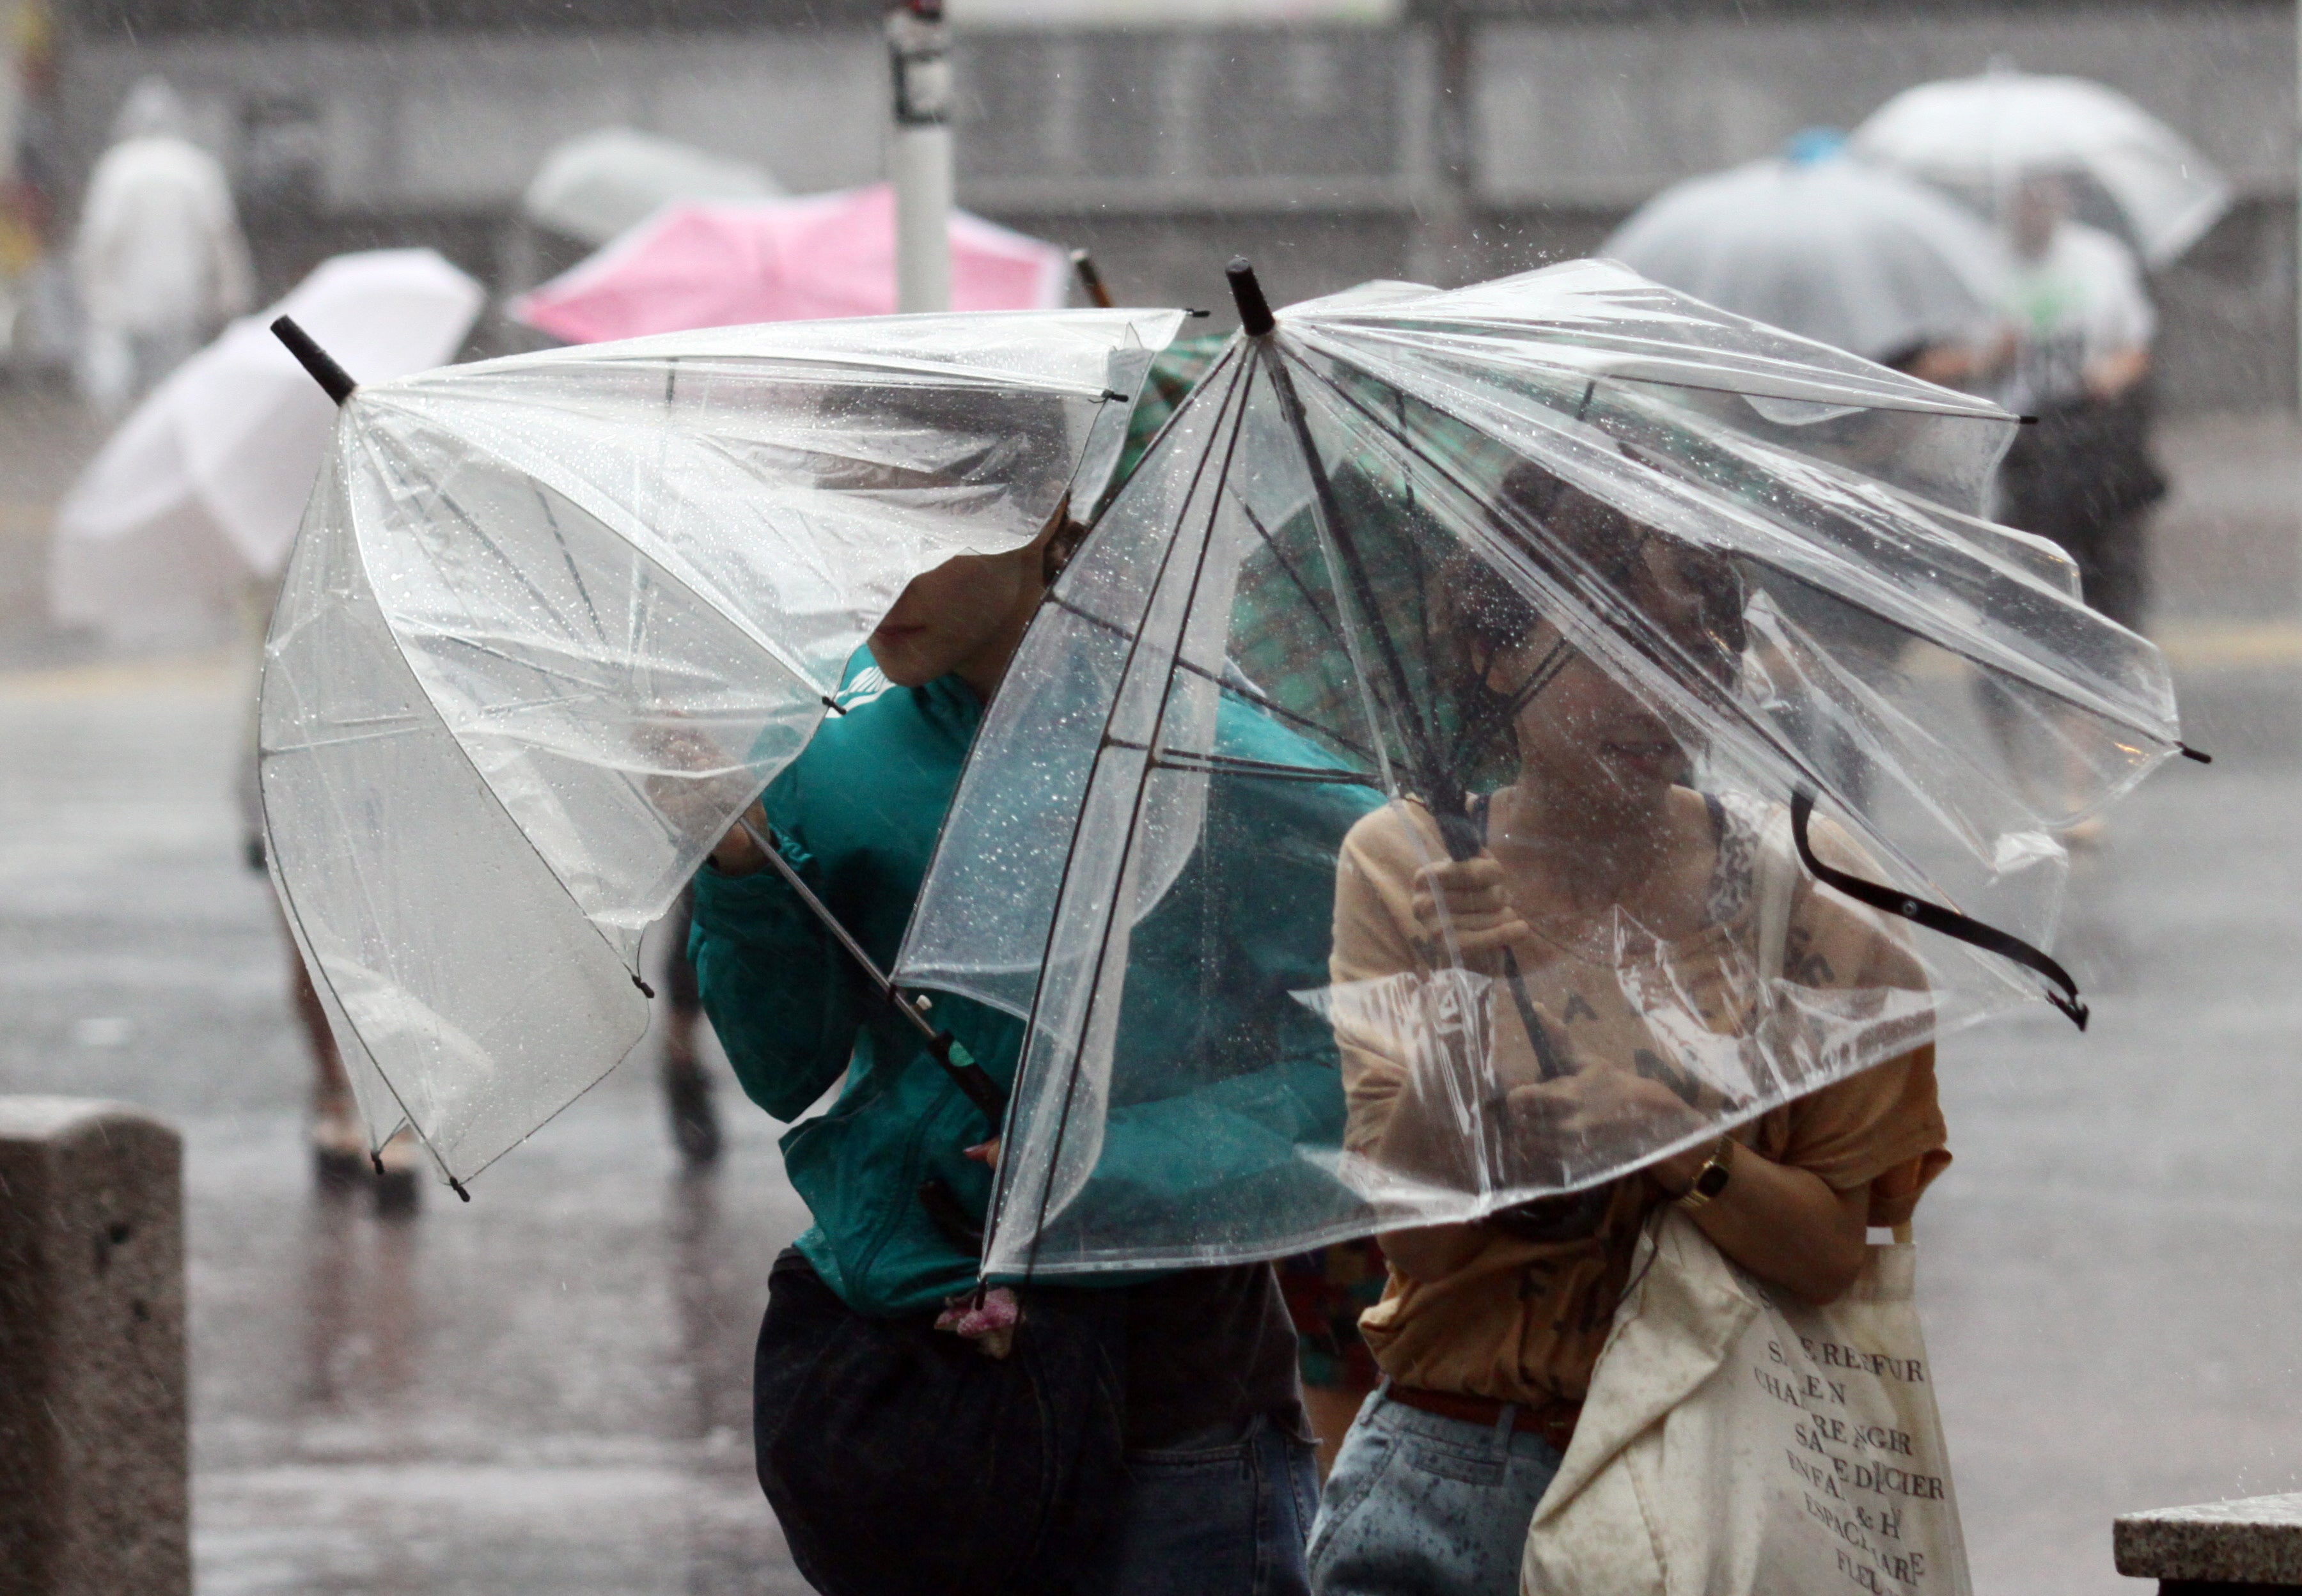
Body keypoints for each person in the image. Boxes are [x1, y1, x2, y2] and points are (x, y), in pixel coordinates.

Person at [1304, 467, 1951, 1596]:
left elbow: (1830, 1256)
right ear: (1494, 654)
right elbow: (1417, 1245)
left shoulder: (1806, 890)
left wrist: (1673, 1144)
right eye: (1612, 648)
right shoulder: (1408, 864)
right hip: (1454, 1474)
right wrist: (1459, 1006)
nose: (1660, 696)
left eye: (1693, 649)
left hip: (1722, 1468)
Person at [691, 501, 1321, 1593]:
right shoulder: (827, 742)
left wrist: (1109, 1162)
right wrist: (741, 879)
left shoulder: (1214, 755)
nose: (880, 576)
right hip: (922, 1407)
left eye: (921, 529)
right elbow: (783, 1068)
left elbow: (1376, 1069)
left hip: (1174, 1420)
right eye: (853, 532)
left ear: (1039, 515)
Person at [1981, 171, 2163, 633]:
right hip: (2016, 439)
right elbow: (1943, 358)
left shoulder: (2100, 258)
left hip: (2090, 434)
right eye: (2027, 198)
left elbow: (2137, 346)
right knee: (2025, 569)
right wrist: (1990, 354)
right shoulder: (1978, 261)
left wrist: (2110, 373)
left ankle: (2112, 650)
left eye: (2046, 197)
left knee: (2108, 563)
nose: (2036, 211)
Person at [71, 76, 251, 419]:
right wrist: (231, 288)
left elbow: (100, 236)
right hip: (182, 289)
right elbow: (220, 234)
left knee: (115, 377)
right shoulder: (197, 167)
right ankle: (167, 433)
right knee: (175, 378)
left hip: (125, 290)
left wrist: (91, 286)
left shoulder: (119, 167)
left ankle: (118, 435)